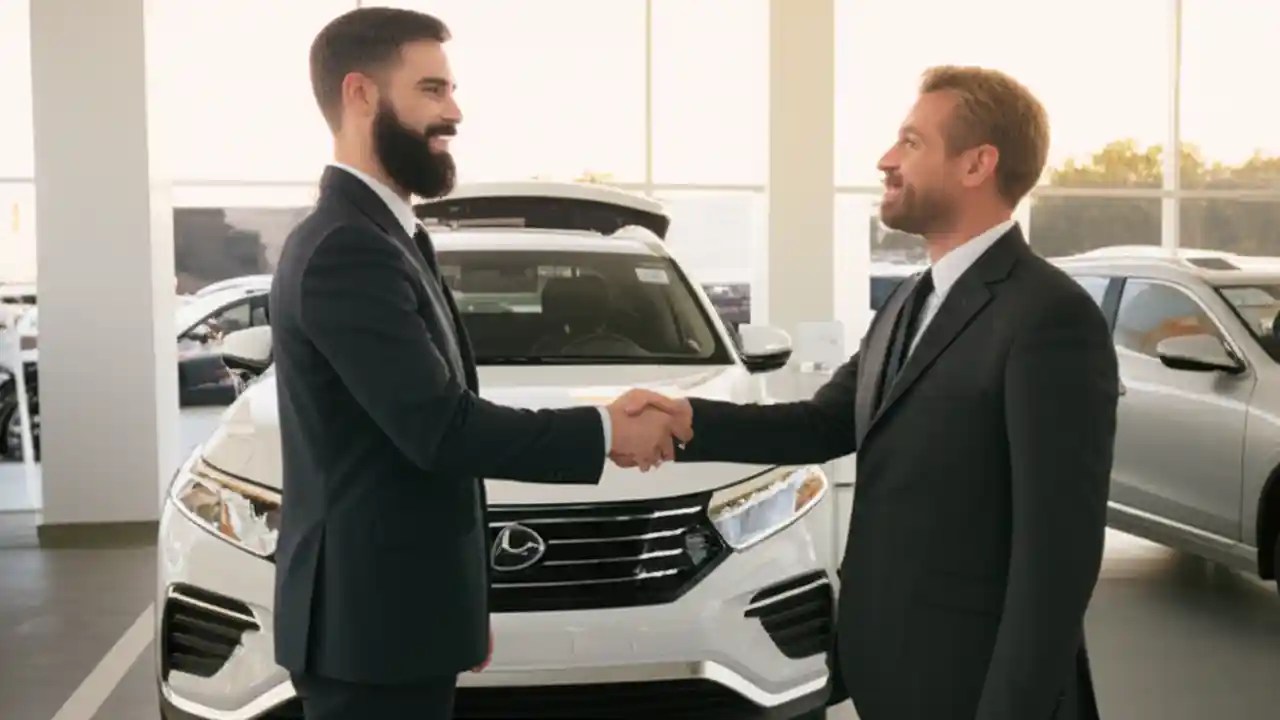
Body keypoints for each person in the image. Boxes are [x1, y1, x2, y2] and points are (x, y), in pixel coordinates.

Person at [619, 66, 1119, 720]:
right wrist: (685, 421)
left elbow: (1057, 558)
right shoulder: (914, 300)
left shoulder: (1049, 317)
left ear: (977, 164)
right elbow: (823, 424)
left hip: (976, 686)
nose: (886, 160)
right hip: (895, 672)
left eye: (911, 142)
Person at [269, 8, 689, 719]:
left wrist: (461, 607)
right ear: (360, 93)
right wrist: (607, 431)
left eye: (451, 90)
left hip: (401, 617)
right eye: (432, 89)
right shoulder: (349, 248)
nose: (454, 111)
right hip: (369, 631)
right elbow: (439, 428)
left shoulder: (387, 234)